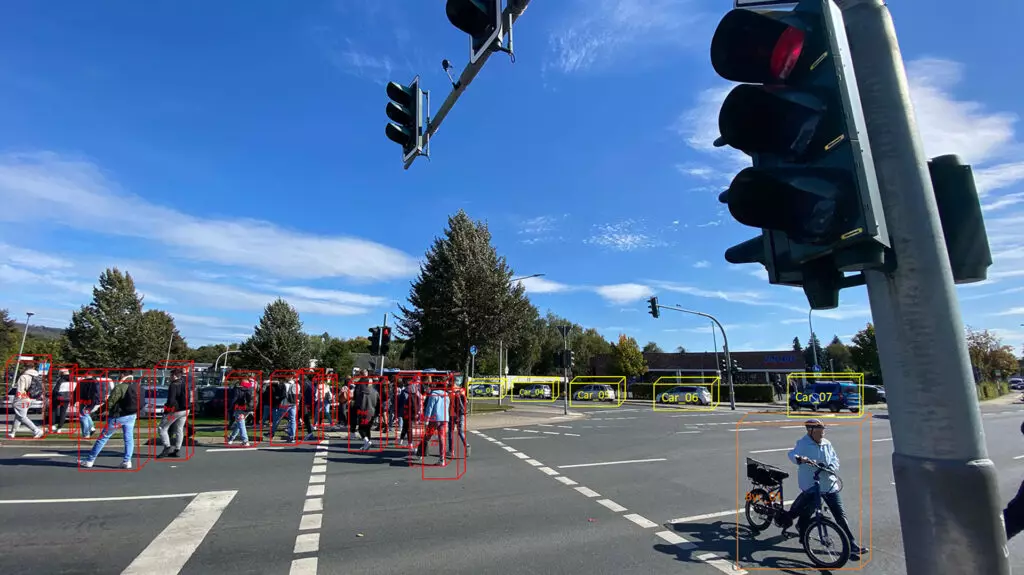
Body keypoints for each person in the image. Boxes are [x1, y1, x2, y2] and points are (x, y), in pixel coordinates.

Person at [780, 419, 866, 559]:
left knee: (840, 515)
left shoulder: (827, 443)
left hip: (829, 485)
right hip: (811, 485)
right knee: (808, 511)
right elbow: (792, 455)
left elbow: (835, 459)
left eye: (823, 431)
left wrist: (831, 466)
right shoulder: (803, 443)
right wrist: (800, 459)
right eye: (819, 431)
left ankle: (852, 544)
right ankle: (802, 532)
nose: (822, 434)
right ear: (810, 431)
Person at [80, 376, 139, 469]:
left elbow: (110, 402)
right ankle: (127, 461)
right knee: (129, 439)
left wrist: (98, 412)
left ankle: (90, 460)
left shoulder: (120, 387)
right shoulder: (136, 387)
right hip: (131, 415)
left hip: (118, 416)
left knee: (103, 438)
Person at [157, 371, 190, 458]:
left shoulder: (173, 385)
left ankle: (167, 447)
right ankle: (177, 449)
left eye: (170, 375)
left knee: (162, 428)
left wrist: (167, 410)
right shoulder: (185, 383)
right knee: (179, 429)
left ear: (174, 376)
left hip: (175, 410)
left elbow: (171, 400)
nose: (169, 377)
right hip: (186, 409)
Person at [8, 362, 44, 438]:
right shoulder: (38, 376)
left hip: (23, 398)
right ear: (33, 367)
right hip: (31, 398)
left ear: (25, 368)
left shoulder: (23, 376)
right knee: (19, 415)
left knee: (22, 416)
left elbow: (20, 390)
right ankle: (12, 432)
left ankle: (36, 430)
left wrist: (16, 400)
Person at [351, 380, 379, 450]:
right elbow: (378, 404)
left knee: (361, 429)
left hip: (364, 412)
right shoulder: (376, 392)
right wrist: (377, 413)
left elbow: (360, 403)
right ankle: (367, 443)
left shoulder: (363, 392)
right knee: (367, 429)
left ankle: (366, 441)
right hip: (372, 412)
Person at [227, 378, 254, 446]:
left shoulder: (238, 389)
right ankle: (231, 438)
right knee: (239, 424)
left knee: (241, 425)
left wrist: (230, 408)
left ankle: (245, 441)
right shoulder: (251, 389)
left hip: (239, 409)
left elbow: (234, 399)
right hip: (248, 409)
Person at [447, 382, 470, 459]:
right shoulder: (461, 390)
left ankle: (451, 451)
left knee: (451, 432)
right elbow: (466, 402)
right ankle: (467, 445)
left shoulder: (449, 392)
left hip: (452, 414)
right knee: (460, 432)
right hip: (461, 414)